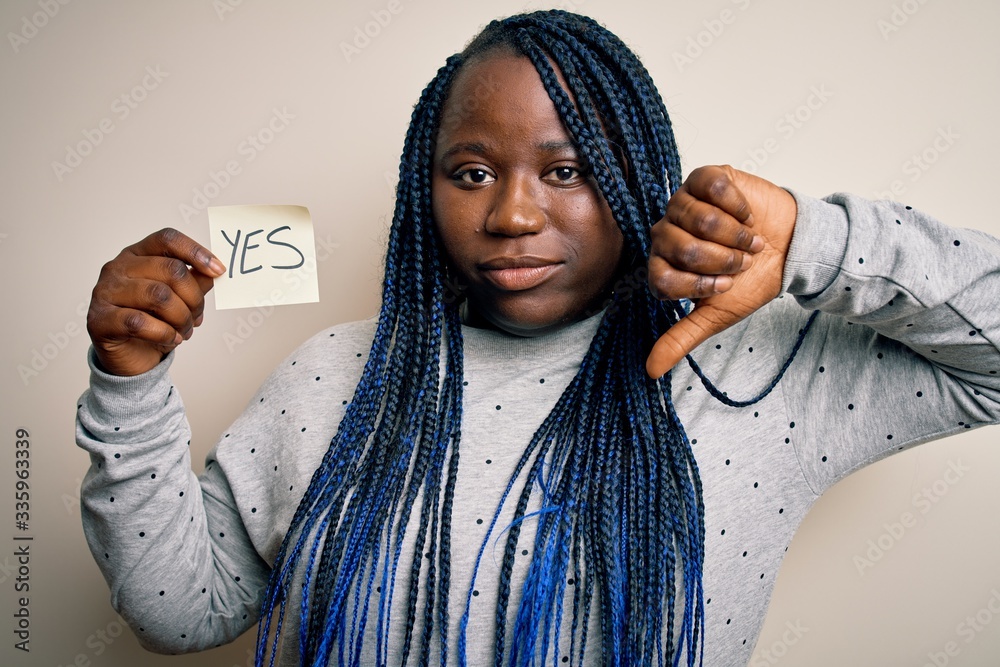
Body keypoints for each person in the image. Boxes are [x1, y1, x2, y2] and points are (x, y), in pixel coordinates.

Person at [76, 10, 1000, 667]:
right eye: (472, 172)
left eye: (568, 170)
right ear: (424, 193)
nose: (513, 214)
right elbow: (181, 613)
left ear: (638, 178)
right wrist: (130, 381)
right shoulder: (333, 376)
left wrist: (812, 238)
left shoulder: (756, 373)